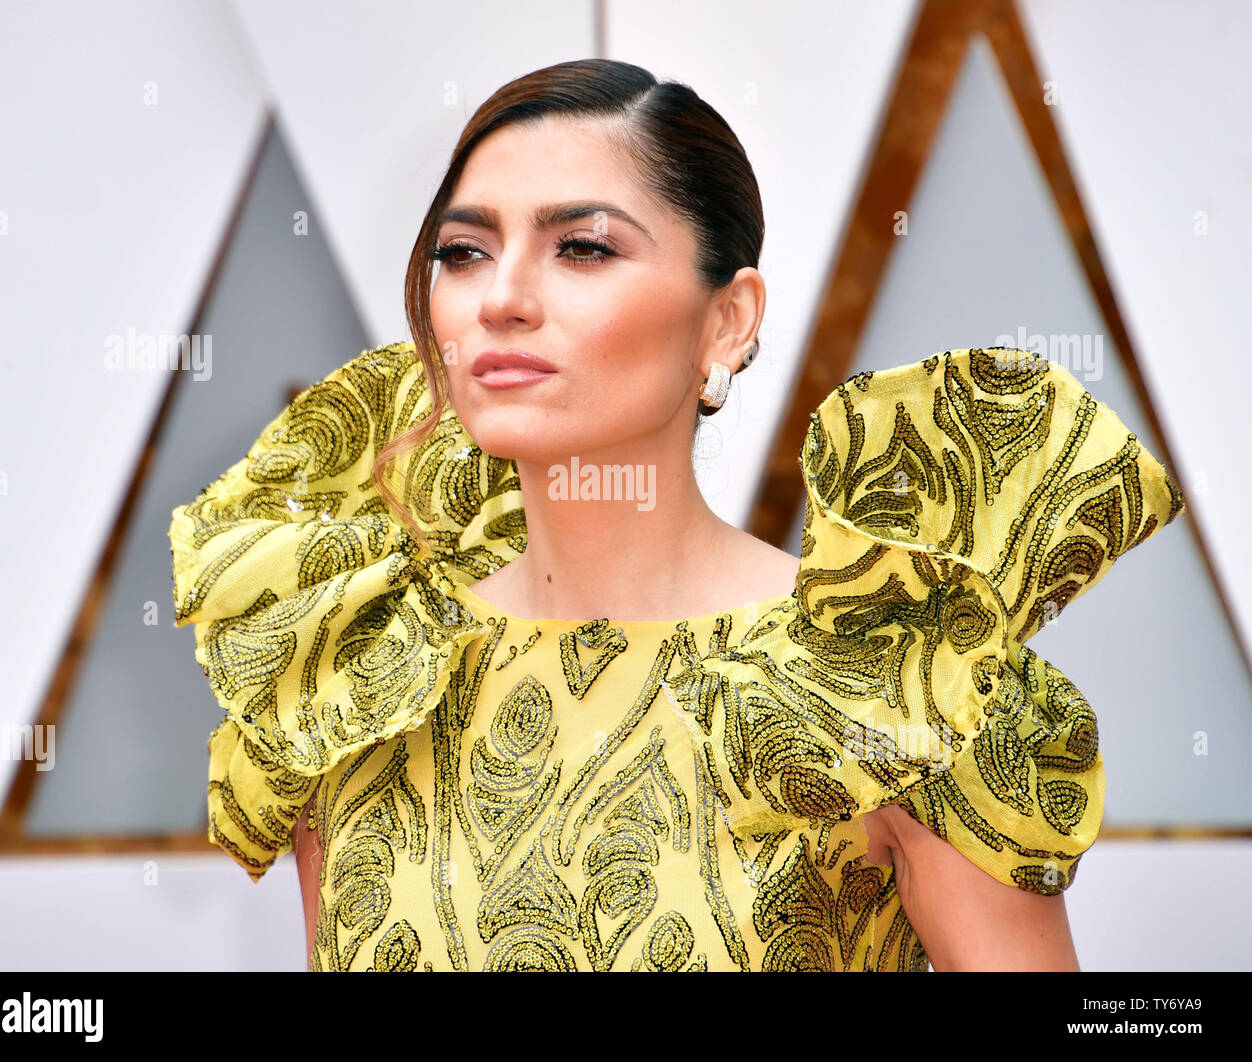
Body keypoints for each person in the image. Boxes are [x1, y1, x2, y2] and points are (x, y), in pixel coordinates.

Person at [167, 59, 1185, 972]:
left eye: (583, 248)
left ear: (727, 320)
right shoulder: (356, 672)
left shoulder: (891, 674)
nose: (502, 298)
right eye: (465, 252)